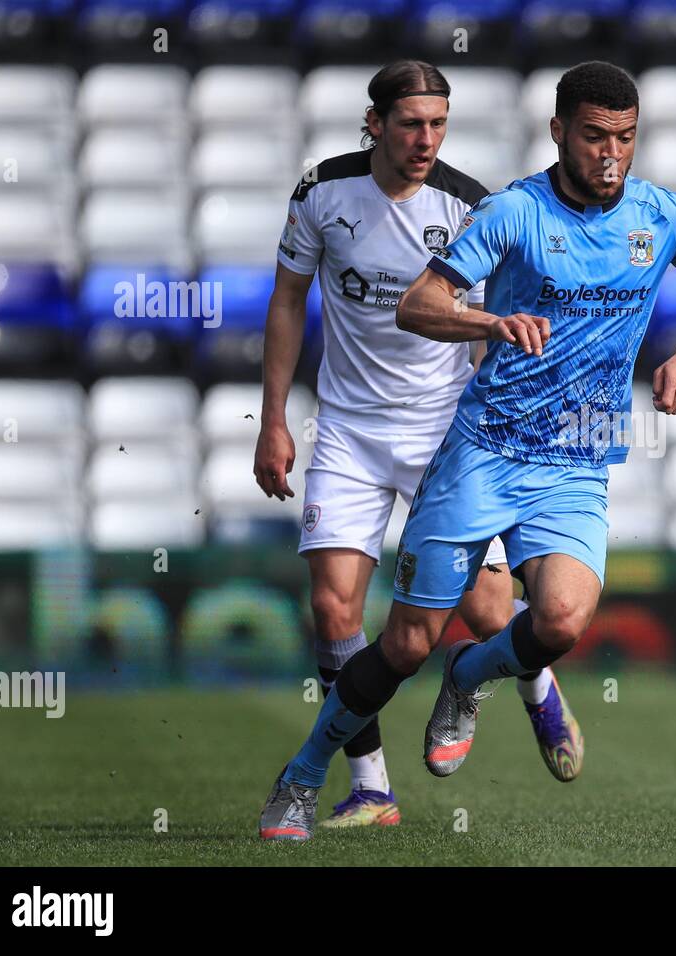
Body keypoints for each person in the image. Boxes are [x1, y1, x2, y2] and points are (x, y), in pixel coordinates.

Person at [259, 60, 676, 840]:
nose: (610, 155)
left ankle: (472, 674)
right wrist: (491, 324)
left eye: (625, 138)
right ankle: (304, 774)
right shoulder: (510, 213)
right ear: (559, 131)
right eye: (594, 136)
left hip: (578, 462)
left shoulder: (665, 218)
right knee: (404, 642)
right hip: (482, 451)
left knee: (557, 622)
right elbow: (421, 304)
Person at [254, 60, 566, 836]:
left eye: (438, 125)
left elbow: (505, 328)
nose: (426, 139)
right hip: (350, 433)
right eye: (411, 124)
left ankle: (533, 684)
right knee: (333, 609)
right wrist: (273, 419)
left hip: (443, 431)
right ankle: (369, 788)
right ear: (375, 123)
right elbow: (288, 301)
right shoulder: (321, 193)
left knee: (494, 610)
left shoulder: (468, 205)